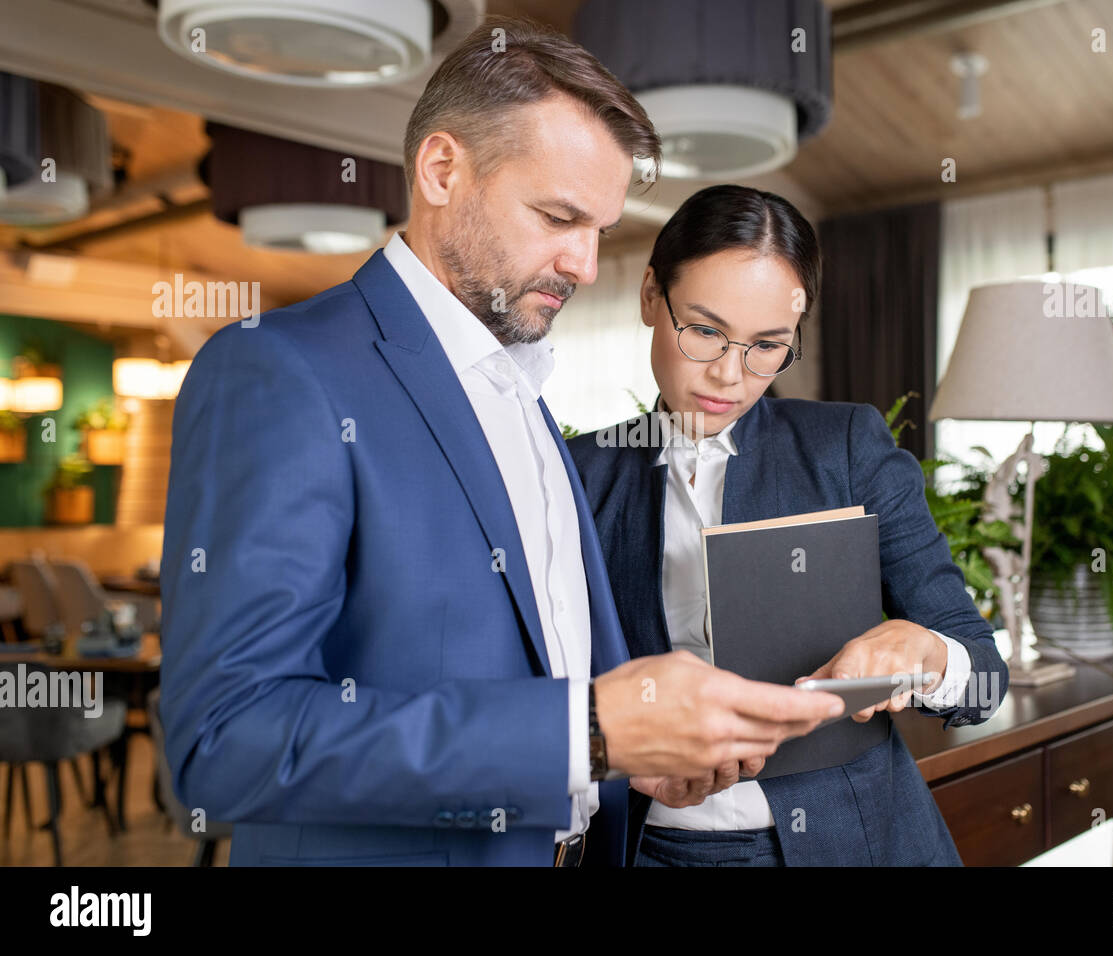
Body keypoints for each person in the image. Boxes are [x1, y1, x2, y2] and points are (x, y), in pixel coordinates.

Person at [159, 19, 843, 868]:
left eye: (599, 228)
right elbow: (223, 744)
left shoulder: (521, 388)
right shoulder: (278, 371)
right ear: (442, 170)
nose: (586, 264)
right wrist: (584, 732)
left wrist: (625, 762)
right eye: (559, 217)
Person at [567, 184, 1010, 866]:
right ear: (652, 295)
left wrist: (923, 651)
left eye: (767, 345)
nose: (730, 374)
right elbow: (545, 689)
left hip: (850, 844)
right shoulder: (578, 472)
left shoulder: (845, 447)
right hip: (644, 845)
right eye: (706, 330)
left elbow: (984, 677)